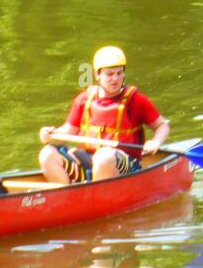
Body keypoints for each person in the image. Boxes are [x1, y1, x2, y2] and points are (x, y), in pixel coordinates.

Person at [38, 46, 170, 183]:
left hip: (124, 164)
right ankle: (66, 197)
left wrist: (156, 142)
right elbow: (68, 131)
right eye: (110, 74)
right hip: (89, 160)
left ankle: (98, 198)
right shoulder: (84, 99)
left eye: (119, 73)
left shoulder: (136, 100)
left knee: (103, 156)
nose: (115, 79)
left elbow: (162, 126)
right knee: (47, 154)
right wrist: (50, 134)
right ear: (97, 75)